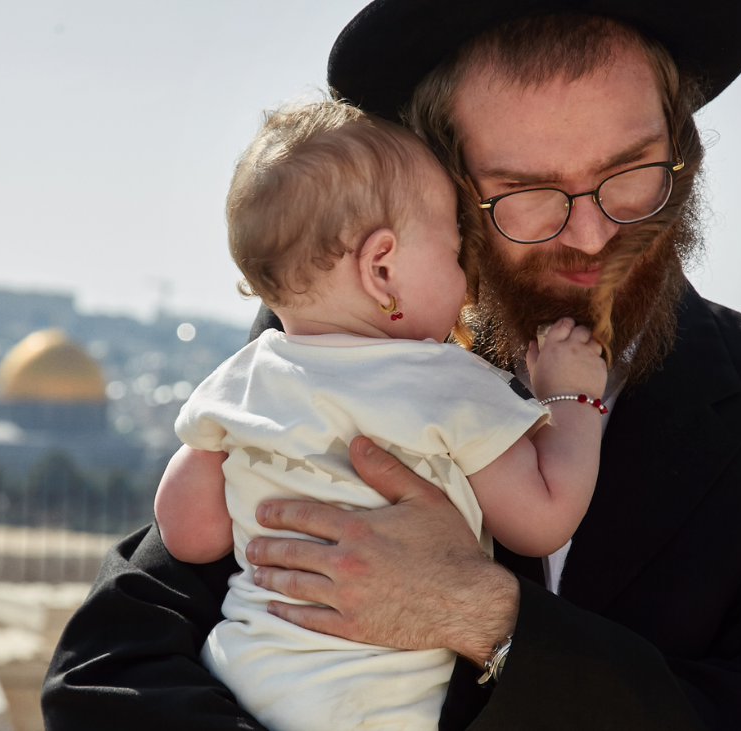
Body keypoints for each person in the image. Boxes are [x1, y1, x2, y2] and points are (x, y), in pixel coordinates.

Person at [42, 2, 741, 729]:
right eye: (526, 191)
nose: (589, 234)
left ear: (684, 149)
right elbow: (109, 673)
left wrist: (490, 617)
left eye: (629, 173)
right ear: (445, 187)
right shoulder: (345, 340)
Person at [151, 100, 608, 731]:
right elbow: (543, 519)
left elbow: (187, 535)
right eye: (453, 254)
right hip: (372, 711)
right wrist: (572, 397)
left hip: (239, 680)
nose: (465, 281)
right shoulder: (446, 383)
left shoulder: (242, 377)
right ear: (383, 268)